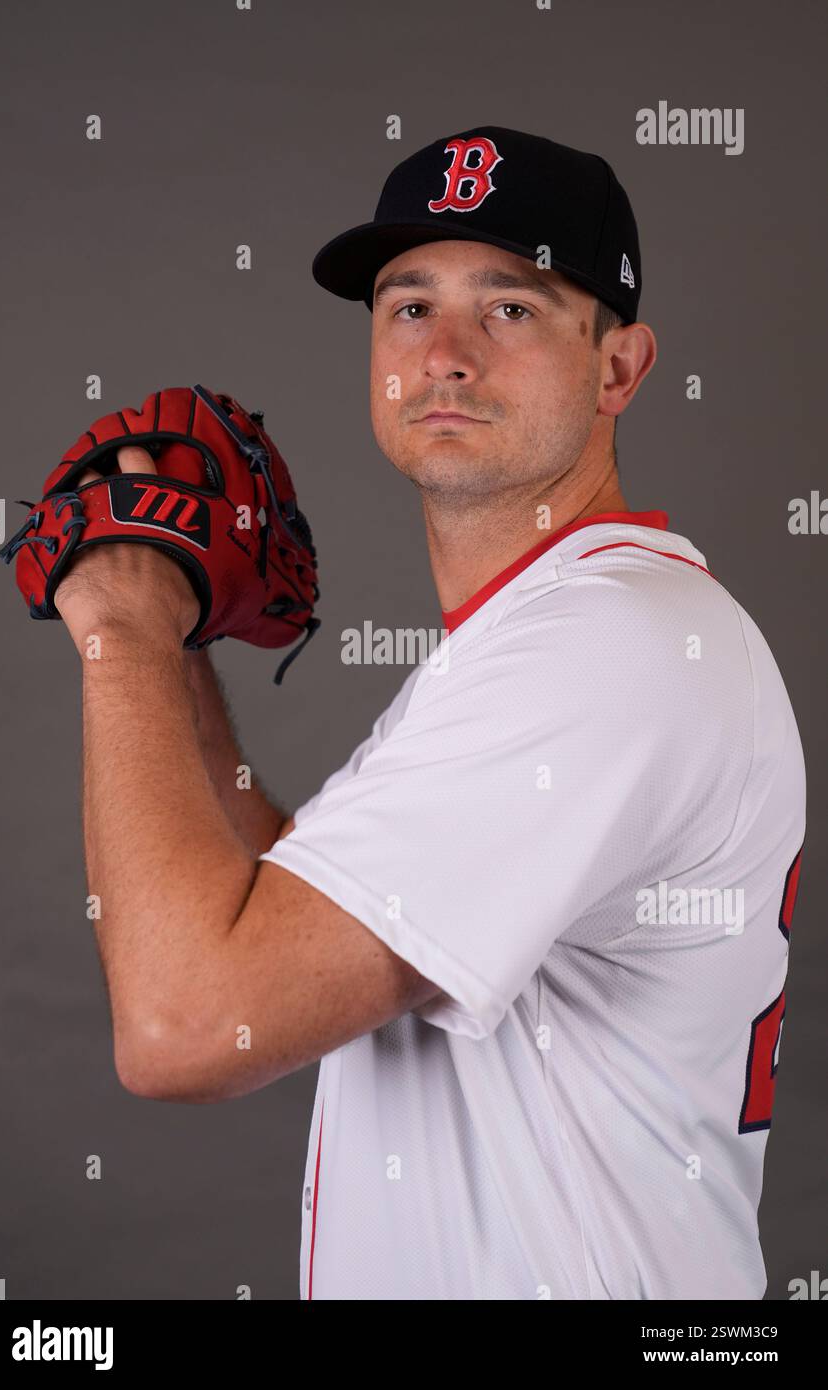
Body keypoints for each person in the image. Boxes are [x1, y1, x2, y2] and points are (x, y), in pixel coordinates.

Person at [55, 127, 806, 1300]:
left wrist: (122, 617)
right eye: (408, 306)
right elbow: (286, 915)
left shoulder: (607, 650)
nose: (444, 354)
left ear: (618, 367)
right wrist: (185, 637)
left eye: (508, 307)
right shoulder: (540, 641)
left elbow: (187, 1023)